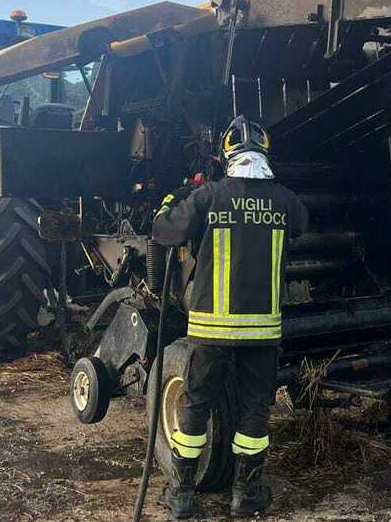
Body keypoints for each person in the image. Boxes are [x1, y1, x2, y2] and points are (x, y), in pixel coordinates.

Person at [151, 115, 308, 519]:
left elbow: (163, 232)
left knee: (197, 403)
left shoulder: (209, 198)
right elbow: (302, 225)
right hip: (262, 331)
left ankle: (183, 494)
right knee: (255, 407)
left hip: (211, 329)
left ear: (226, 156)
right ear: (266, 152)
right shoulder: (284, 200)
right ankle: (246, 495)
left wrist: (174, 198)